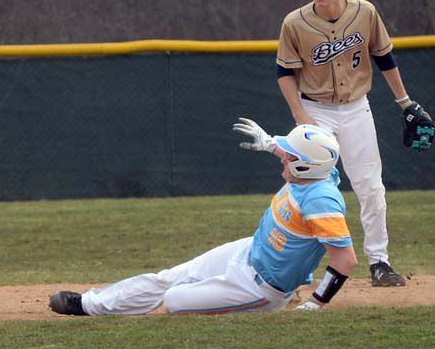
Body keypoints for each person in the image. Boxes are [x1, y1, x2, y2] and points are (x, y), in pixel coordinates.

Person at [49, 121, 355, 316]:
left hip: (262, 289)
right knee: (167, 278)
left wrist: (317, 302)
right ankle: (87, 305)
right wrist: (271, 144)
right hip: (248, 251)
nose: (283, 158)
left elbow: (345, 260)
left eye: (289, 156)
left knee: (174, 300)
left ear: (305, 166)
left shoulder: (321, 200)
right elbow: (302, 159)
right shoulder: (312, 174)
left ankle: (283, 300)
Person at [276, 0, 430, 287]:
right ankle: (297, 267)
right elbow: (284, 72)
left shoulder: (365, 12)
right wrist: (300, 115)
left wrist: (405, 101)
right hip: (315, 109)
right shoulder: (294, 23)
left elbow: (384, 57)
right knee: (308, 187)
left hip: (357, 108)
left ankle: (379, 262)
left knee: (371, 186)